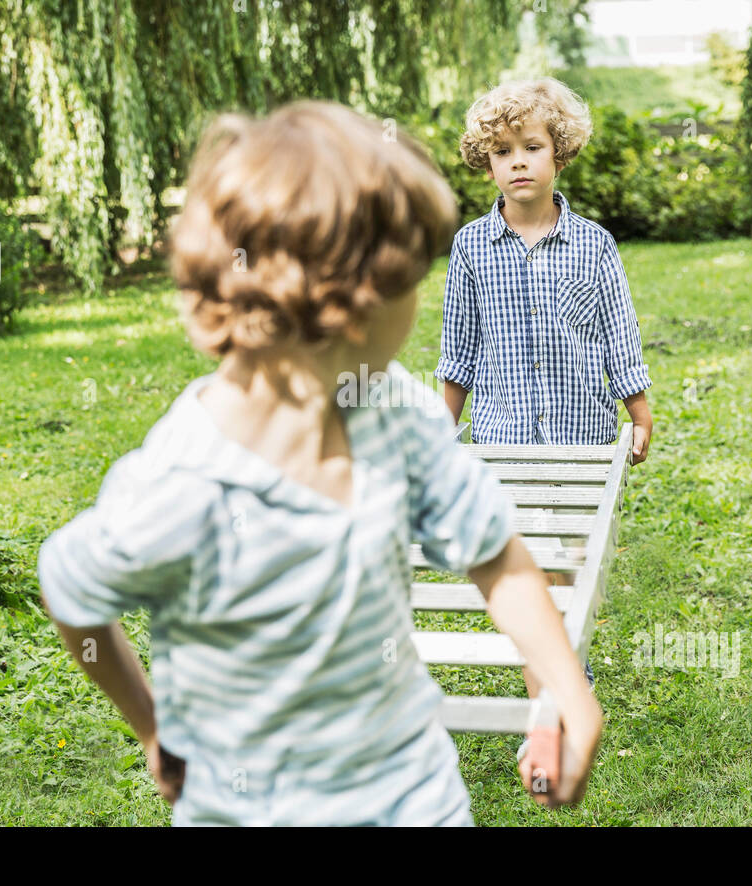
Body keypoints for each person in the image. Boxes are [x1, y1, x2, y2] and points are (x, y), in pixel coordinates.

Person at [37, 100, 603, 826]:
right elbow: (72, 588)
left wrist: (567, 688)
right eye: (412, 281)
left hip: (413, 798)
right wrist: (152, 727)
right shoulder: (182, 483)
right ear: (359, 302)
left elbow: (496, 556)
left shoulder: (394, 412)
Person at [434, 77, 655, 694]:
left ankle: (560, 673)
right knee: (530, 568)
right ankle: (554, 702)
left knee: (568, 567)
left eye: (531, 147)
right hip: (504, 442)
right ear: (489, 164)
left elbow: (618, 331)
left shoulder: (594, 245)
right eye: (503, 152)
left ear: (558, 152)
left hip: (580, 439)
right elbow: (459, 353)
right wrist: (438, 429)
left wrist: (638, 409)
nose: (518, 162)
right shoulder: (472, 248)